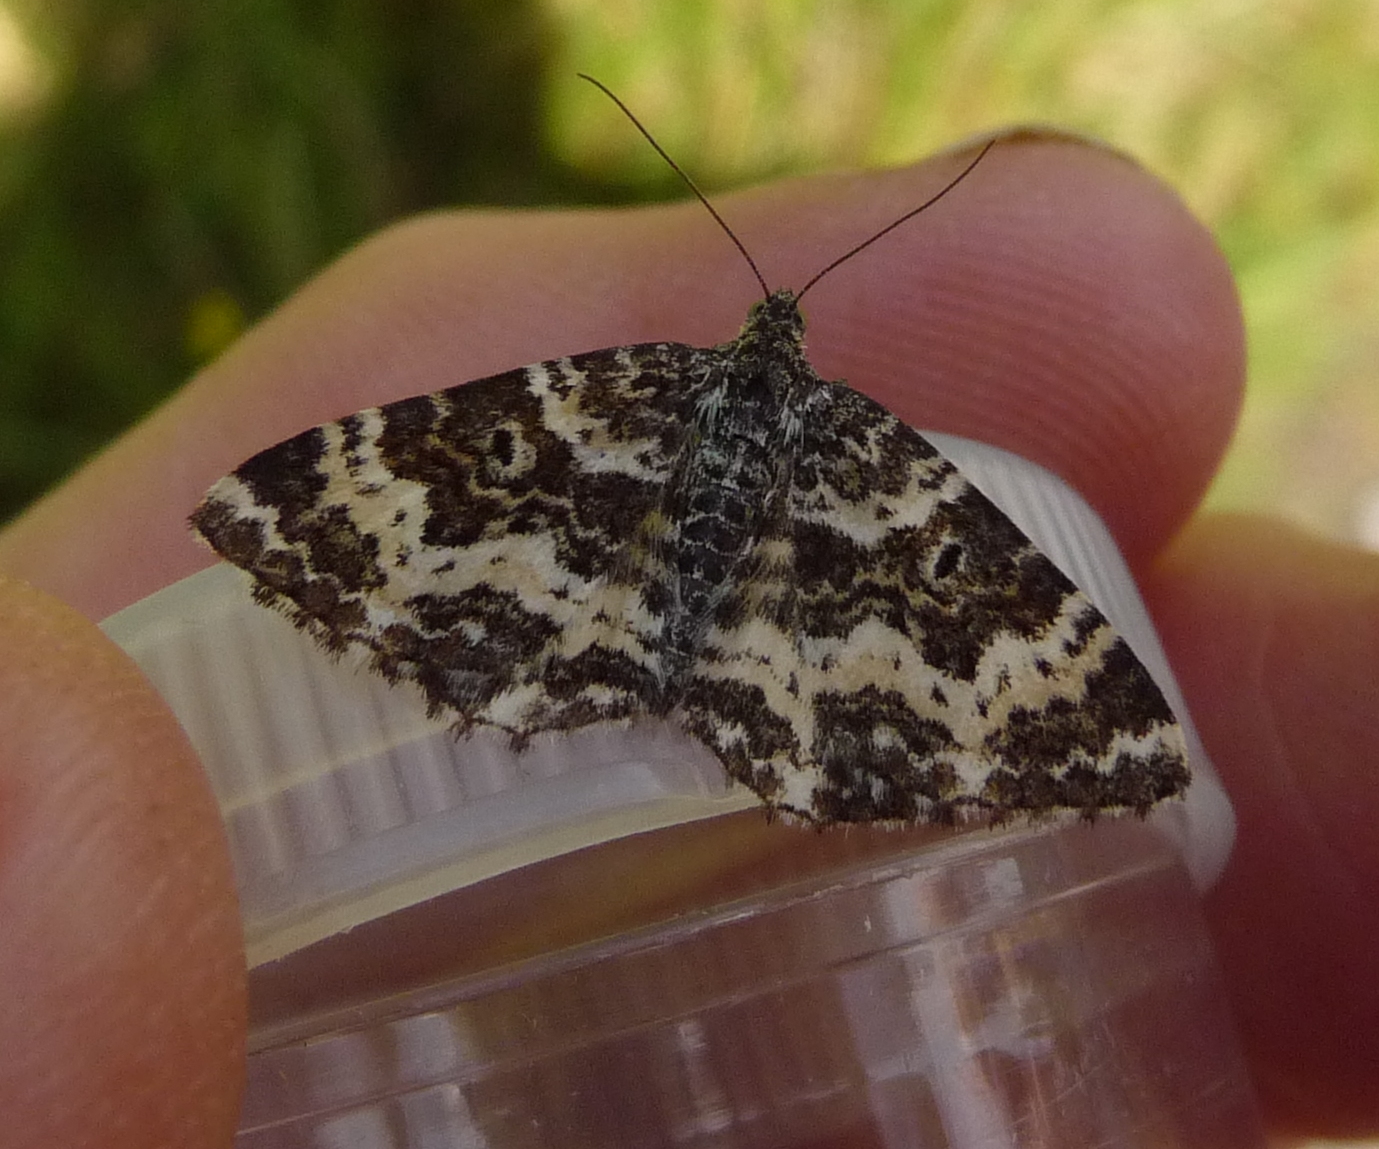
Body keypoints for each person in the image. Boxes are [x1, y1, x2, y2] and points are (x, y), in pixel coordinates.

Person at [0, 134, 1372, 1147]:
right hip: (781, 660)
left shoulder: (623, 394)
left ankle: (596, 668)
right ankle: (731, 706)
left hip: (584, 608)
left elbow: (1085, 716)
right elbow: (316, 509)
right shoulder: (866, 456)